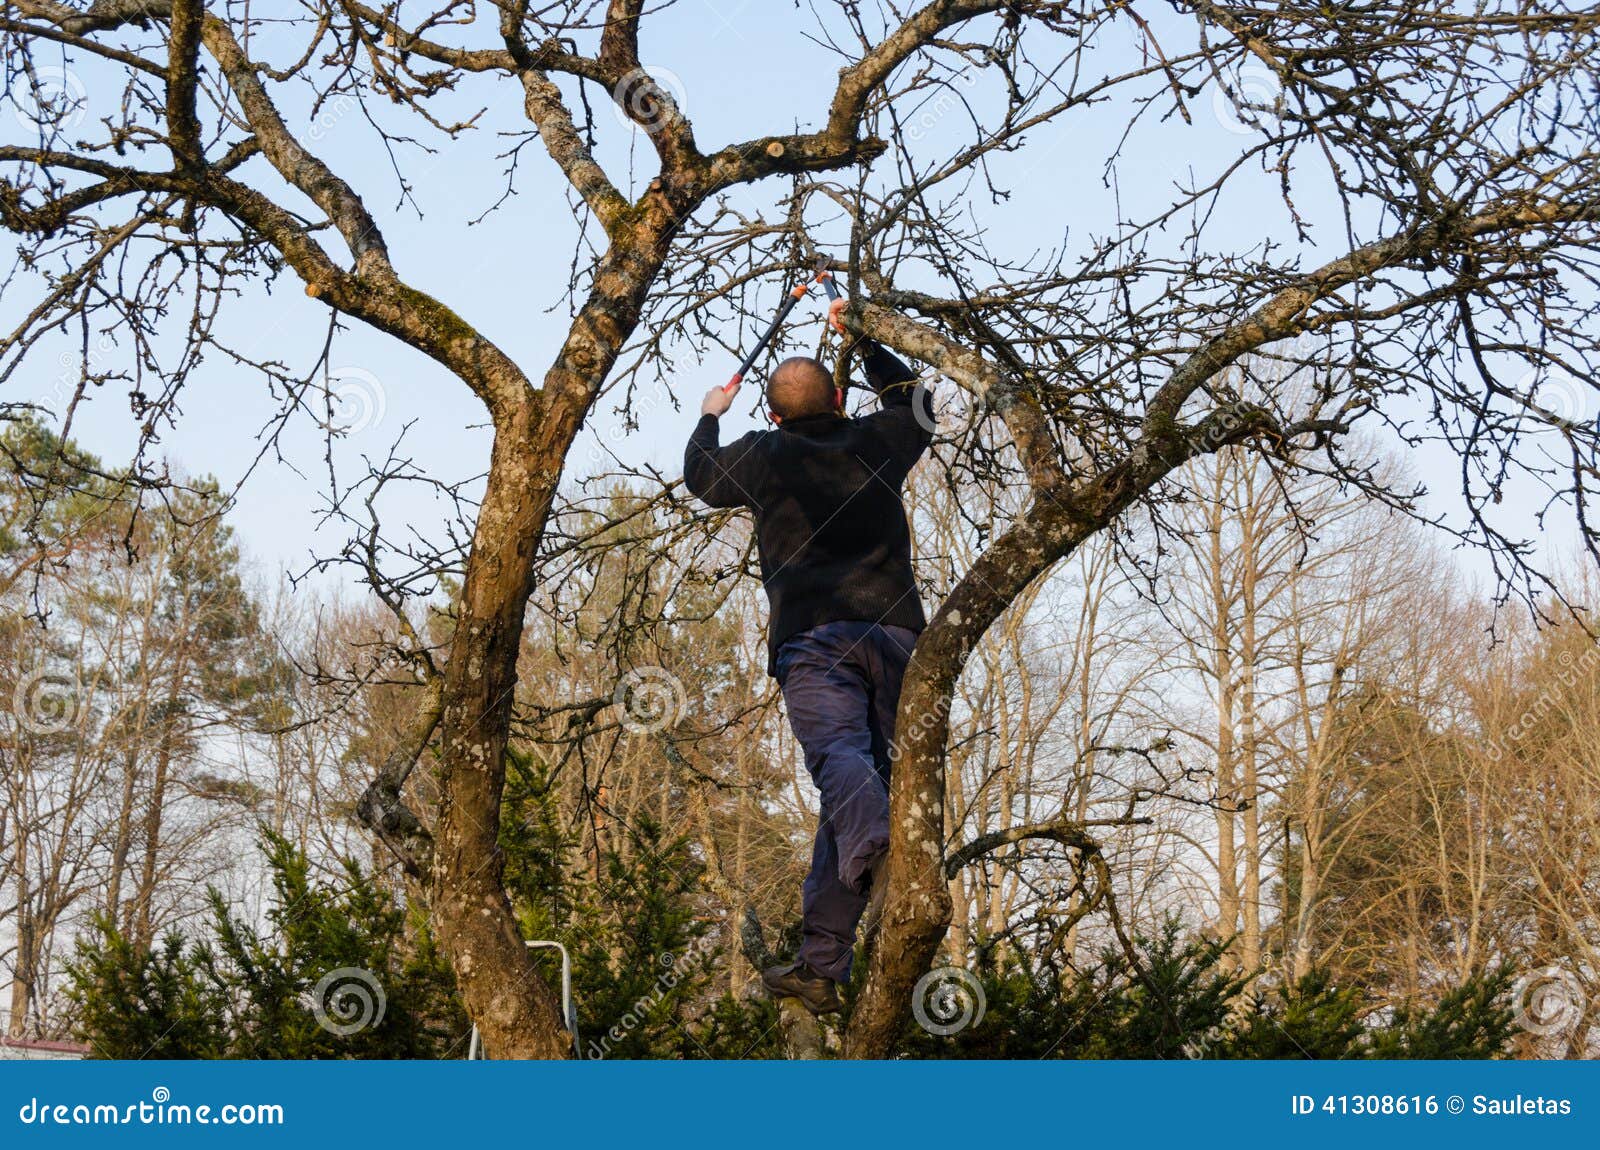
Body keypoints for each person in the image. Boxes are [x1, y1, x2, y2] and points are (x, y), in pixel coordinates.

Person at [683, 295, 934, 1014]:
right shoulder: (879, 438)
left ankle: (882, 847)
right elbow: (915, 403)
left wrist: (710, 411)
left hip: (816, 642)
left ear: (774, 415)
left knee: (840, 763)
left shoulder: (764, 453)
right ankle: (822, 962)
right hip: (894, 639)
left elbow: (701, 476)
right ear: (843, 399)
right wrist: (860, 333)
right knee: (848, 790)